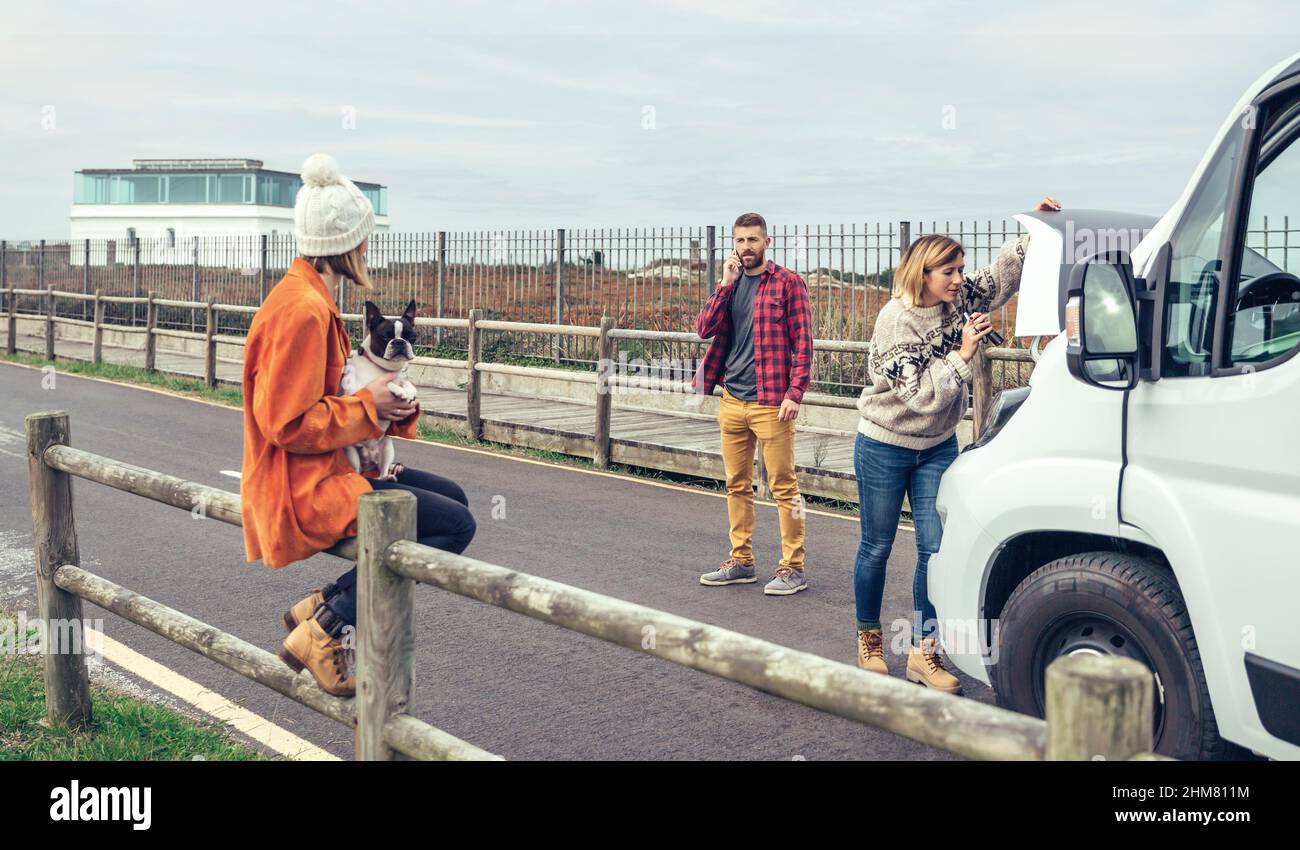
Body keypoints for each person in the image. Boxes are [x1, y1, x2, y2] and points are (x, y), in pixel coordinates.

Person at [240, 153, 476, 697]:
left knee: (454, 497)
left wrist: (384, 407)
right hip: (302, 487)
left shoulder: (306, 296)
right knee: (456, 526)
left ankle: (325, 604)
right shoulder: (302, 311)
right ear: (345, 243)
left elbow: (331, 399)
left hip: (329, 467)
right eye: (365, 239)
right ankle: (325, 628)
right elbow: (286, 423)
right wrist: (370, 405)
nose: (368, 249)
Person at [853, 196, 1061, 692]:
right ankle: (869, 638)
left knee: (934, 547)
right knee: (877, 546)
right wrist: (965, 351)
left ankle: (925, 654)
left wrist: (1040, 231)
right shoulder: (894, 320)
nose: (959, 279)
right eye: (949, 270)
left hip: (936, 446)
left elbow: (1000, 277)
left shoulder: (960, 297)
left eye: (960, 269)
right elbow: (922, 397)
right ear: (923, 274)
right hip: (885, 445)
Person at [693, 212, 813, 596]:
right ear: (734, 244)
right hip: (732, 399)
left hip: (771, 402)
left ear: (767, 242)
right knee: (736, 485)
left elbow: (804, 343)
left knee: (784, 487)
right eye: (741, 241)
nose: (747, 247)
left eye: (753, 240)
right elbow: (703, 329)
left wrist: (795, 394)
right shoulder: (730, 284)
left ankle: (793, 567)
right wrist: (724, 285)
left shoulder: (788, 283)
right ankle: (741, 561)